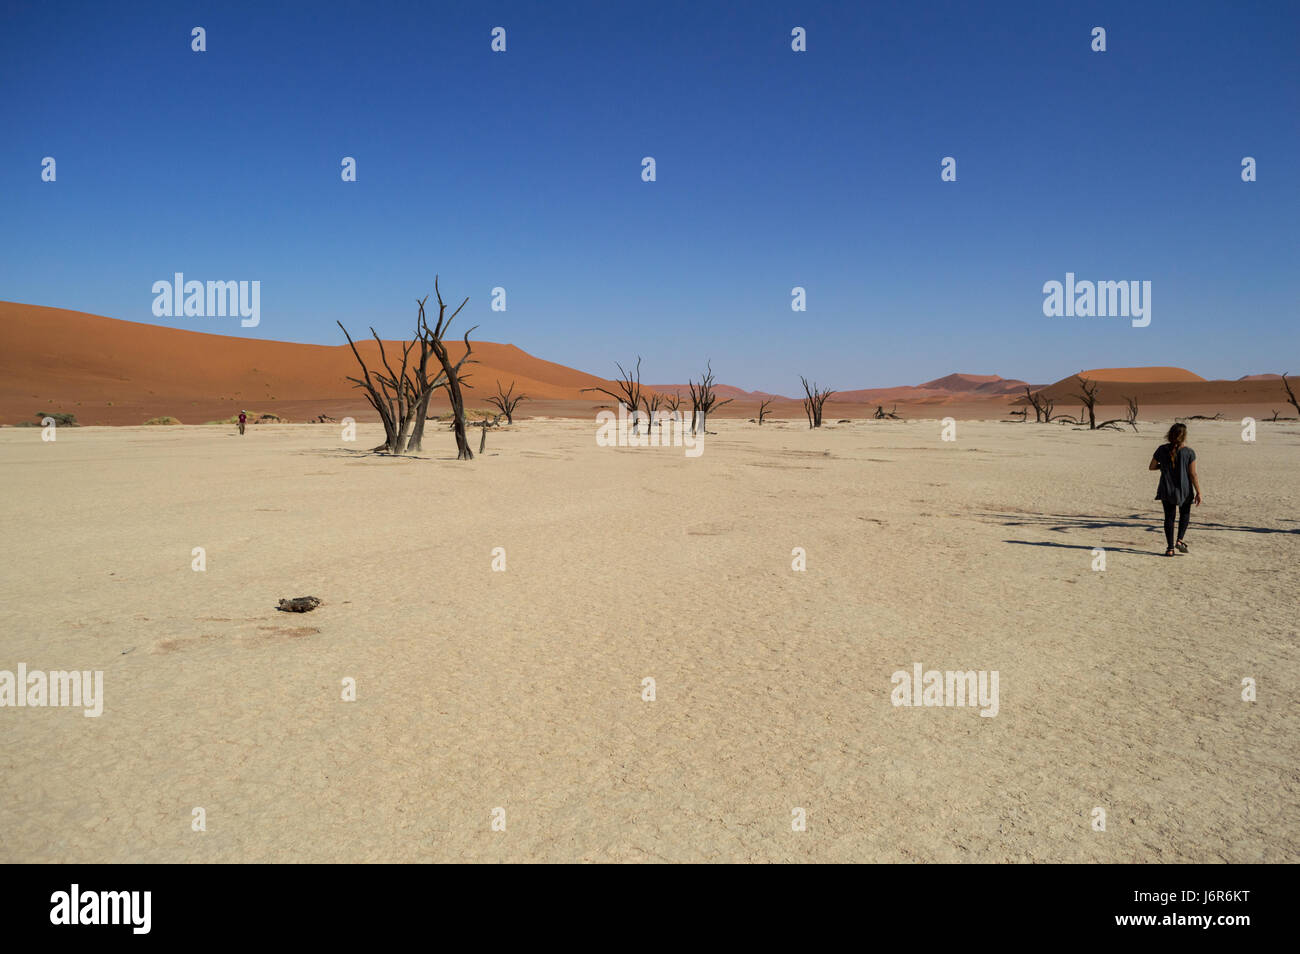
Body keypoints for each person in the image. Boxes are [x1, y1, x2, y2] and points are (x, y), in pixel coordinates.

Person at [1148, 423, 1202, 557]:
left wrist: (1164, 467)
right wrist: (1199, 492)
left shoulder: (1161, 449)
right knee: (1184, 514)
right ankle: (1179, 540)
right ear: (1184, 436)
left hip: (1167, 488)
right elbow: (1192, 474)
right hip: (1184, 489)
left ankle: (1170, 549)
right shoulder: (1189, 452)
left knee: (1169, 518)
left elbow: (1151, 467)